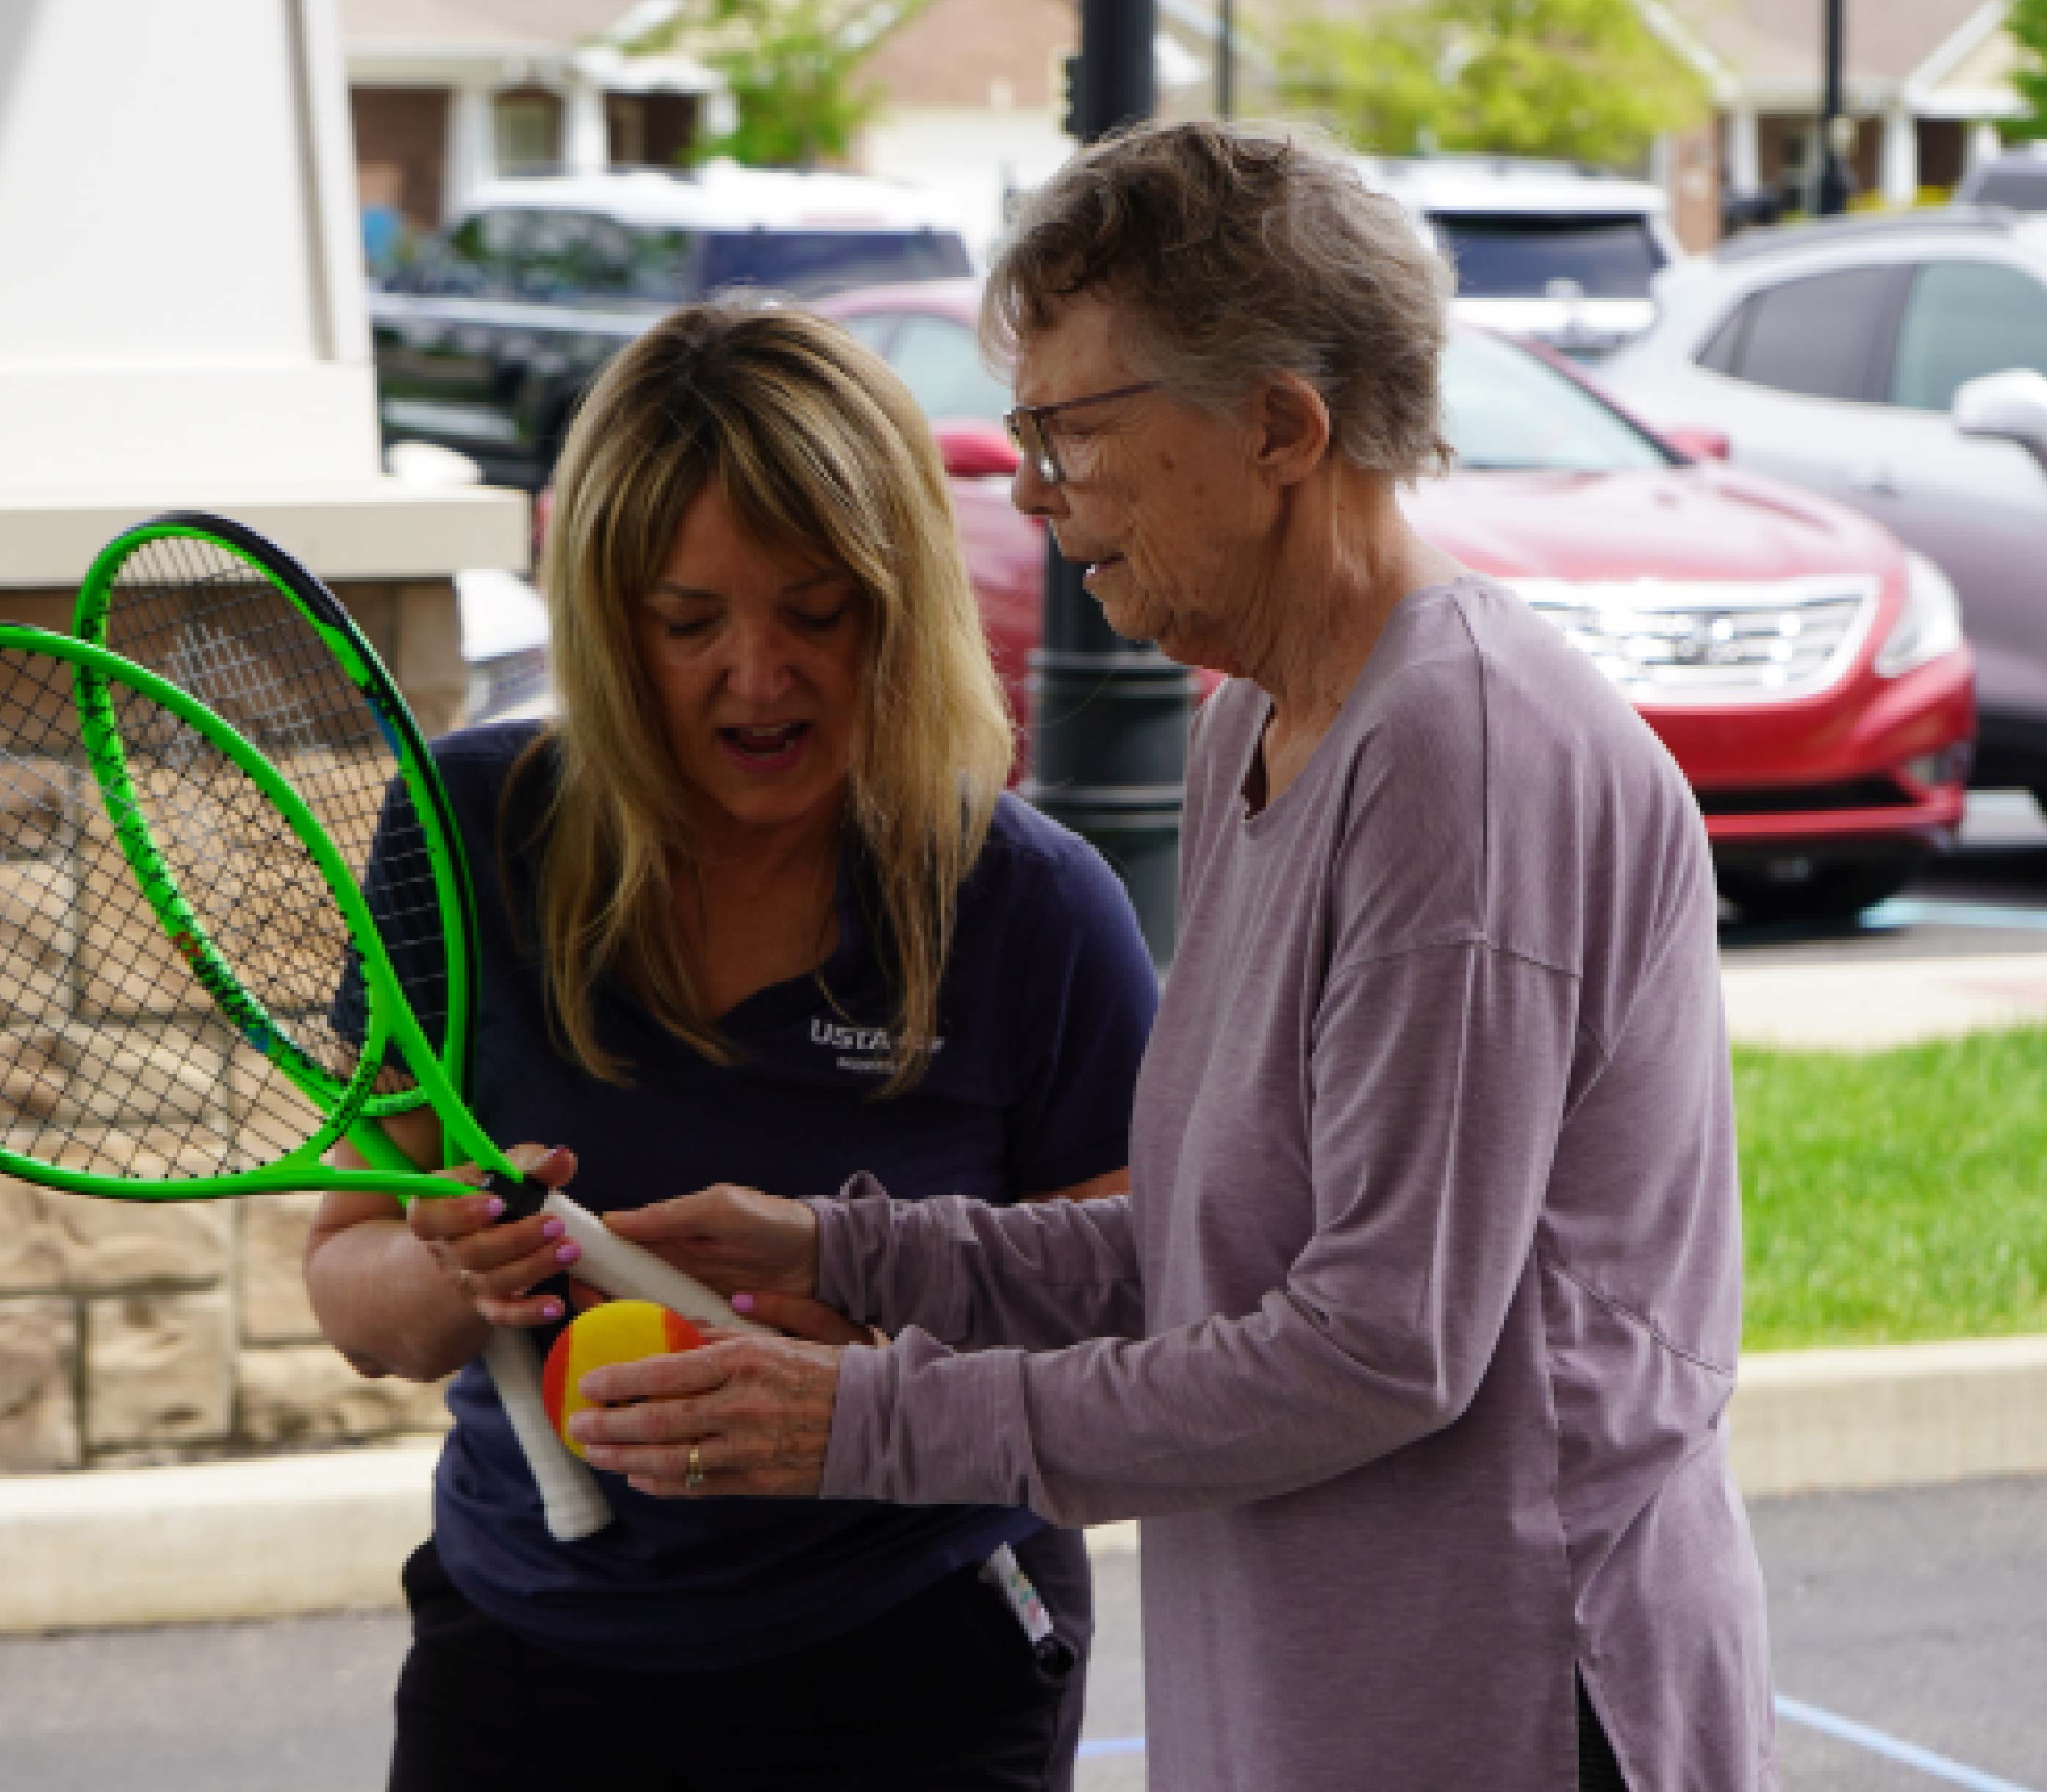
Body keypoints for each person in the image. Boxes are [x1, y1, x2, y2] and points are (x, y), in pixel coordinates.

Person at [567, 123, 1776, 1791]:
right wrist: (852, 1251)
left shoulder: (1459, 753)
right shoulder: (1251, 729)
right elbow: (1224, 1242)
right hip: (1306, 1679)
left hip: (1497, 1692)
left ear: (1281, 425)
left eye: (1073, 431)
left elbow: (1377, 1344)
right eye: (1027, 432)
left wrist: (867, 1421)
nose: (1039, 490)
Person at [301, 301, 1161, 1791]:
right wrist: (445, 1272)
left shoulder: (1030, 902)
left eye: (815, 610)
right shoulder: (463, 831)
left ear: (901, 601)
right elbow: (355, 1287)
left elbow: (1144, 1286)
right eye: (687, 621)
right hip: (524, 1654)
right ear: (600, 614)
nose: (756, 675)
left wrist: (881, 1353)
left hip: (918, 1657)